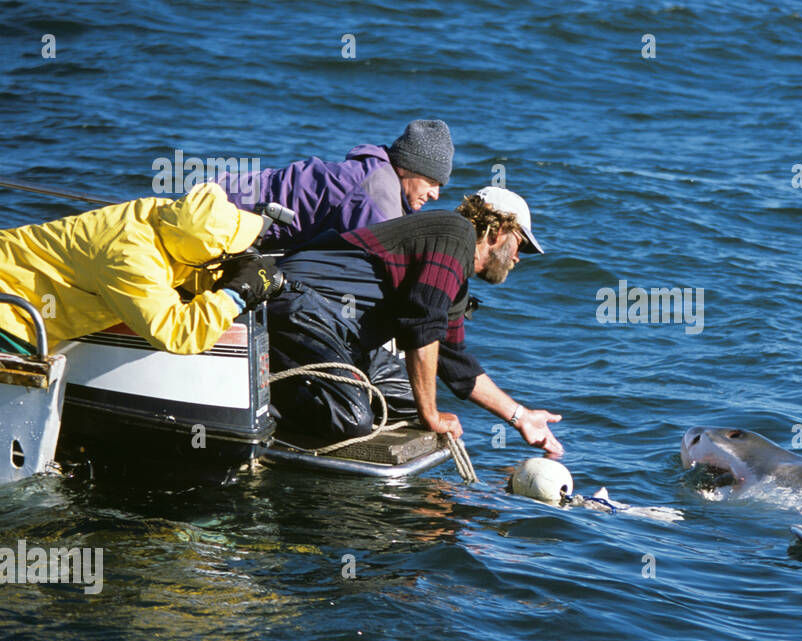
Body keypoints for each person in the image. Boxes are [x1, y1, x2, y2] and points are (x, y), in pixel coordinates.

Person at [266, 186, 563, 455]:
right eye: (520, 245)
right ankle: (266, 407)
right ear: (497, 231)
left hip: (343, 334)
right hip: (300, 304)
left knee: (406, 404)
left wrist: (520, 416)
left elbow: (454, 361)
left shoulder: (455, 280)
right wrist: (430, 415)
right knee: (351, 418)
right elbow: (423, 322)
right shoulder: (454, 232)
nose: (518, 258)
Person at [0, 183, 279, 356]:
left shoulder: (163, 215)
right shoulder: (129, 259)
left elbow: (180, 261)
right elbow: (178, 335)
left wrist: (223, 274)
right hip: (10, 311)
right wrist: (235, 293)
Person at [215, 119, 454, 253]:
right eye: (431, 182)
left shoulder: (376, 171)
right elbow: (384, 263)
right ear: (405, 168)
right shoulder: (379, 192)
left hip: (225, 193)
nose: (435, 194)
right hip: (223, 213)